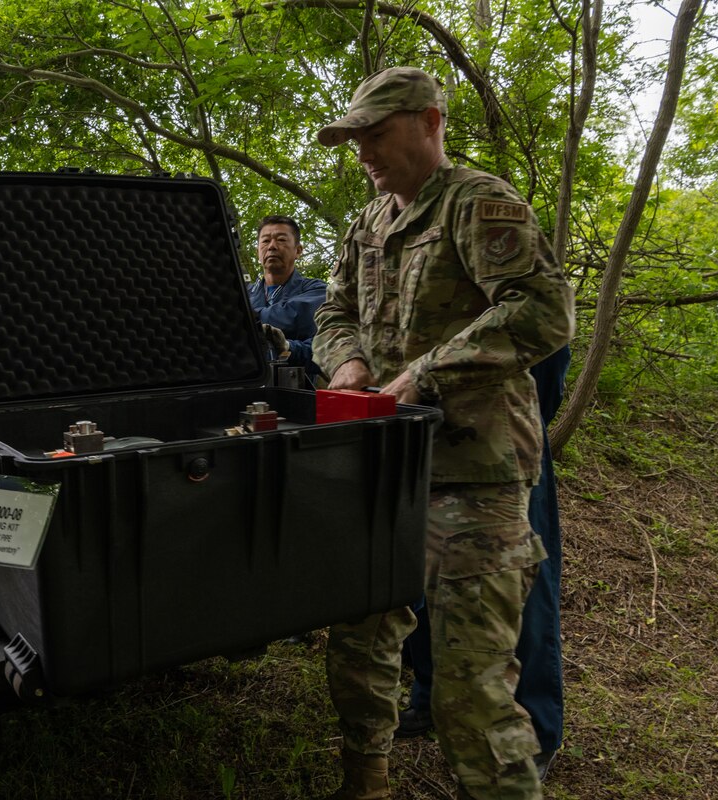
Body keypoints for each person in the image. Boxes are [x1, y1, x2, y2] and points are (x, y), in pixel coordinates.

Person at [311, 66, 575, 800]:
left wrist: (426, 374)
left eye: (376, 133)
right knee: (360, 645)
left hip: (474, 472)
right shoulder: (369, 222)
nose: (363, 152)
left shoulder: (478, 203)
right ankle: (366, 779)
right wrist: (351, 361)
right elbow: (331, 314)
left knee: (471, 688)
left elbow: (545, 311)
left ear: (429, 122)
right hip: (386, 468)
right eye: (354, 138)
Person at [398, 344, 573, 783]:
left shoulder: (513, 277)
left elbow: (545, 358)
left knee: (519, 589)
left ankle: (534, 730)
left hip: (500, 442)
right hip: (420, 438)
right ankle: (429, 696)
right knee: (423, 576)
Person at [248, 215, 326, 383]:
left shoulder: (316, 290)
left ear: (298, 250)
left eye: (281, 240)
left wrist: (243, 321)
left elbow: (320, 349)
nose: (272, 246)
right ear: (257, 252)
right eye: (265, 241)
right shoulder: (244, 294)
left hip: (295, 392)